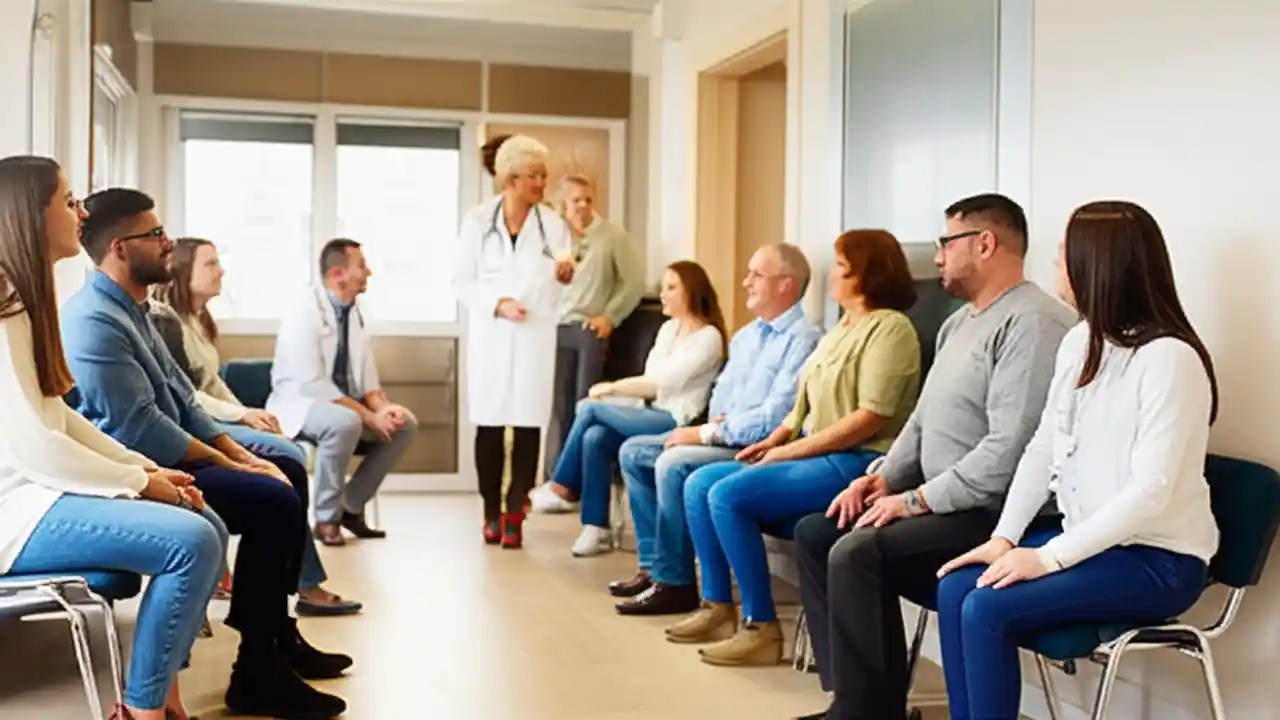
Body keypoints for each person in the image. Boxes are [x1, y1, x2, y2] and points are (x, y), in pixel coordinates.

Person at [61, 187, 349, 719]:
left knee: (284, 467)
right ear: (120, 248)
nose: (168, 242)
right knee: (272, 500)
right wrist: (229, 462)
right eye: (155, 234)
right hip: (138, 470)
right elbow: (139, 427)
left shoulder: (134, 309)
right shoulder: (93, 320)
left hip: (165, 453)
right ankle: (257, 670)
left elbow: (183, 399)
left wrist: (241, 455)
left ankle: (275, 639)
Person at [790, 194, 1075, 720]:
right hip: (945, 502)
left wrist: (914, 501)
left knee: (858, 553)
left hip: (995, 515)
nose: (937, 256)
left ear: (984, 244)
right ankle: (861, 702)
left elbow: (1007, 452)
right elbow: (921, 423)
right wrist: (881, 479)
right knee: (819, 531)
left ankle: (864, 715)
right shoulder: (956, 324)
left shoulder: (1034, 324)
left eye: (947, 242)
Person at [934, 201, 1219, 720]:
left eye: (1065, 253)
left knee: (986, 606)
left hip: (1160, 561)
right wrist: (1005, 537)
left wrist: (1047, 558)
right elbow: (1044, 446)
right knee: (955, 589)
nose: (1055, 263)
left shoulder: (1169, 359)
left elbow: (1150, 490)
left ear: (1097, 263)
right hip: (1094, 543)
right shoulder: (1079, 343)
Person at [0, 155, 223, 720]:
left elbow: (58, 415)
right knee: (192, 541)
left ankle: (162, 696)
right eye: (68, 201)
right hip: (14, 509)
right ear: (31, 214)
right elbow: (39, 446)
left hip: (34, 493)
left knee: (207, 523)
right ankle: (143, 712)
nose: (81, 213)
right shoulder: (4, 305)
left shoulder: (23, 296)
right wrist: (140, 483)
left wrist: (143, 470)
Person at [674, 230, 922, 667]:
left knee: (726, 494)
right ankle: (717, 605)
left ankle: (761, 627)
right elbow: (802, 403)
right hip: (816, 453)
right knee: (698, 484)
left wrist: (790, 452)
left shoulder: (891, 329)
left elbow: (870, 417)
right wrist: (775, 440)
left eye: (841, 267)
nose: (831, 276)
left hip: (859, 461)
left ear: (868, 274)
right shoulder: (842, 327)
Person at [152, 237, 362, 616]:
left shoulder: (198, 320)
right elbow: (186, 395)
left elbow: (214, 383)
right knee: (287, 456)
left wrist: (246, 412)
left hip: (213, 415)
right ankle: (304, 586)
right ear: (184, 271)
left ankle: (290, 591)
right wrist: (241, 416)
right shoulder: (166, 324)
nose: (221, 271)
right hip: (195, 423)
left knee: (285, 452)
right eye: (210, 264)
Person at [612, 243, 820, 614]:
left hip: (759, 447)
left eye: (757, 275)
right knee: (634, 452)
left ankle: (674, 583)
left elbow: (774, 418)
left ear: (786, 284)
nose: (746, 282)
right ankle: (654, 567)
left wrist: (707, 433)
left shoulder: (805, 340)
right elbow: (721, 400)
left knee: (672, 462)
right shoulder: (745, 336)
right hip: (725, 436)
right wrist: (716, 425)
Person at [546, 260, 726, 557]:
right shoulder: (668, 329)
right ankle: (595, 527)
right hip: (650, 411)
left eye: (671, 288)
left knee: (590, 409)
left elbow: (661, 382)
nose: (663, 294)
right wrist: (619, 391)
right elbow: (649, 377)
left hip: (677, 419)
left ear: (692, 291)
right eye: (663, 287)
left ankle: (562, 485)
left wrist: (612, 388)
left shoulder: (709, 337)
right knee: (594, 437)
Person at [453, 134, 575, 548]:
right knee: (488, 426)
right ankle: (491, 509)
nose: (542, 183)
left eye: (543, 175)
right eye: (534, 175)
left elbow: (561, 287)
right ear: (510, 179)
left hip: (534, 336)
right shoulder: (477, 222)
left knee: (527, 425)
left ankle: (514, 514)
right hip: (492, 336)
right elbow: (461, 280)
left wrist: (564, 279)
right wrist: (496, 303)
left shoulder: (553, 226)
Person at [268, 238, 419, 547]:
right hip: (302, 403)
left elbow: (367, 377)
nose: (369, 272)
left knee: (405, 423)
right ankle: (326, 518)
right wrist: (368, 416)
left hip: (346, 403)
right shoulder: (304, 313)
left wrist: (383, 409)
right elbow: (313, 384)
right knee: (343, 422)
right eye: (361, 266)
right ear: (338, 274)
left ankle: (349, 506)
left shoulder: (354, 312)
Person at [532, 174, 644, 506]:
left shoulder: (612, 236)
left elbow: (633, 284)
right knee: (558, 409)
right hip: (554, 328)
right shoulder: (553, 238)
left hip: (588, 330)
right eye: (575, 200)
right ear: (562, 205)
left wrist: (610, 316)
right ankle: (555, 481)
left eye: (588, 199)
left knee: (584, 404)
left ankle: (576, 485)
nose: (582, 205)